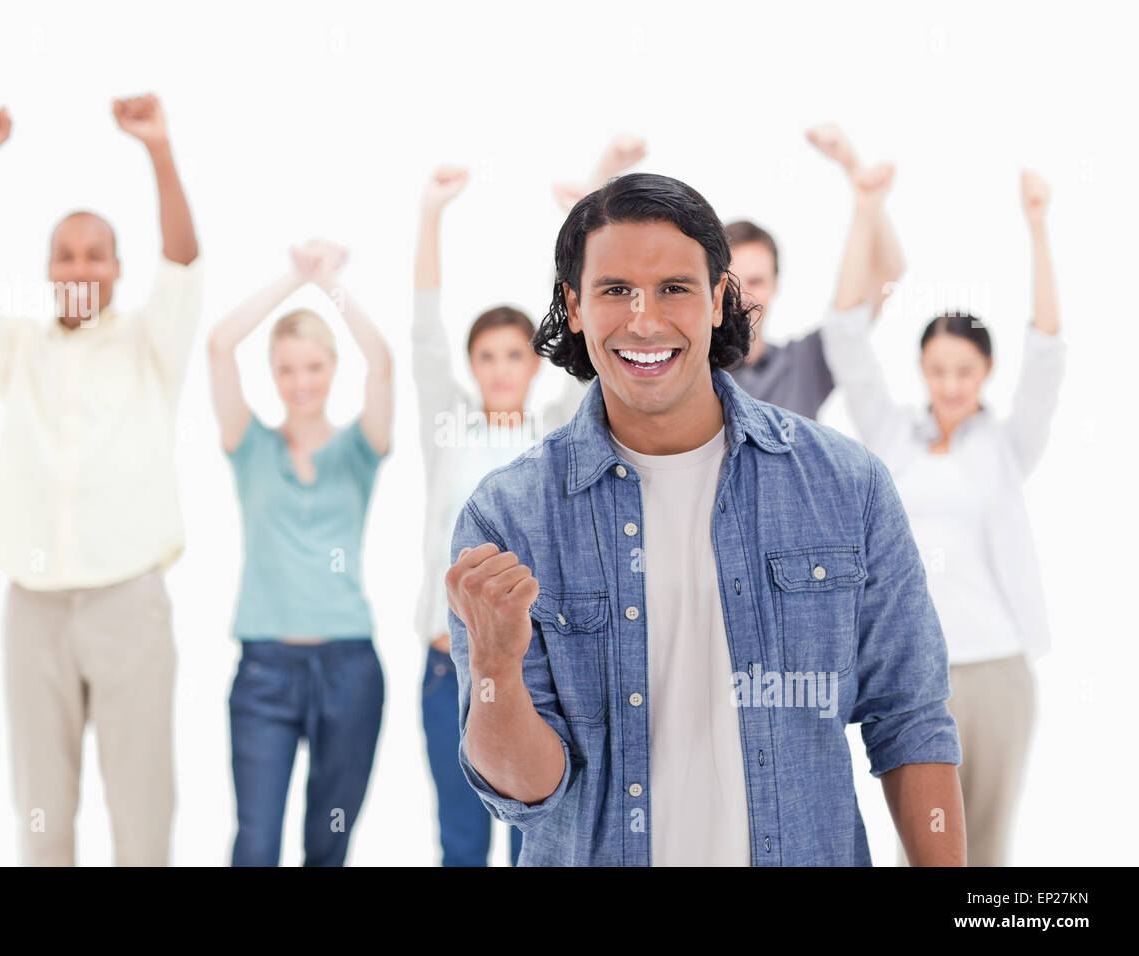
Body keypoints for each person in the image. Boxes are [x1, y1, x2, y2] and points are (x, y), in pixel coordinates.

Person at [444, 171, 965, 866]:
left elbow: (911, 722)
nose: (644, 320)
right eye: (615, 290)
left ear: (721, 300)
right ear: (573, 306)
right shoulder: (507, 517)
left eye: (674, 289)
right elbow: (527, 792)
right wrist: (496, 670)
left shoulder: (846, 486)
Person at [0, 94, 202, 866]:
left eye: (95, 253)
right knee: (41, 816)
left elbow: (182, 261)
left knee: (142, 813)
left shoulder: (152, 345)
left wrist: (156, 147)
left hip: (129, 602)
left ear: (117, 267)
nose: (79, 267)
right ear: (48, 269)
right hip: (33, 610)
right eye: (65, 254)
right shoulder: (18, 351)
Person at [820, 169, 1064, 866]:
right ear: (922, 370)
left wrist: (1039, 228)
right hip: (911, 675)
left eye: (965, 372)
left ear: (985, 373)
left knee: (983, 854)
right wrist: (865, 207)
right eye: (937, 371)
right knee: (919, 851)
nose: (951, 386)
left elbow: (1047, 353)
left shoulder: (1006, 448)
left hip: (996, 671)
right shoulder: (893, 438)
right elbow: (845, 337)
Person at [414, 153, 613, 865]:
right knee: (462, 843)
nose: (500, 368)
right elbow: (424, 337)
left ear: (536, 363)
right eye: (487, 356)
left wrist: (591, 215)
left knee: (543, 841)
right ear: (473, 367)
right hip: (449, 667)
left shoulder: (559, 433)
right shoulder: (450, 432)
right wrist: (431, 214)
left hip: (544, 671)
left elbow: (596, 338)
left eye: (514, 355)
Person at [208, 239, 392, 867]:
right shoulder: (250, 446)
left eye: (313, 366)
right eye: (286, 369)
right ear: (273, 375)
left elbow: (383, 362)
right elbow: (218, 346)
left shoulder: (360, 448)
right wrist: (294, 278)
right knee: (255, 844)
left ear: (332, 367)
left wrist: (331, 285)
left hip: (349, 670)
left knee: (326, 845)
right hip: (264, 672)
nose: (301, 382)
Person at [725, 124, 904, 419]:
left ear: (775, 284)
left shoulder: (803, 364)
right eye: (732, 283)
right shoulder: (694, 367)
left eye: (756, 281)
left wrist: (861, 188)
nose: (743, 296)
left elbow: (887, 274)